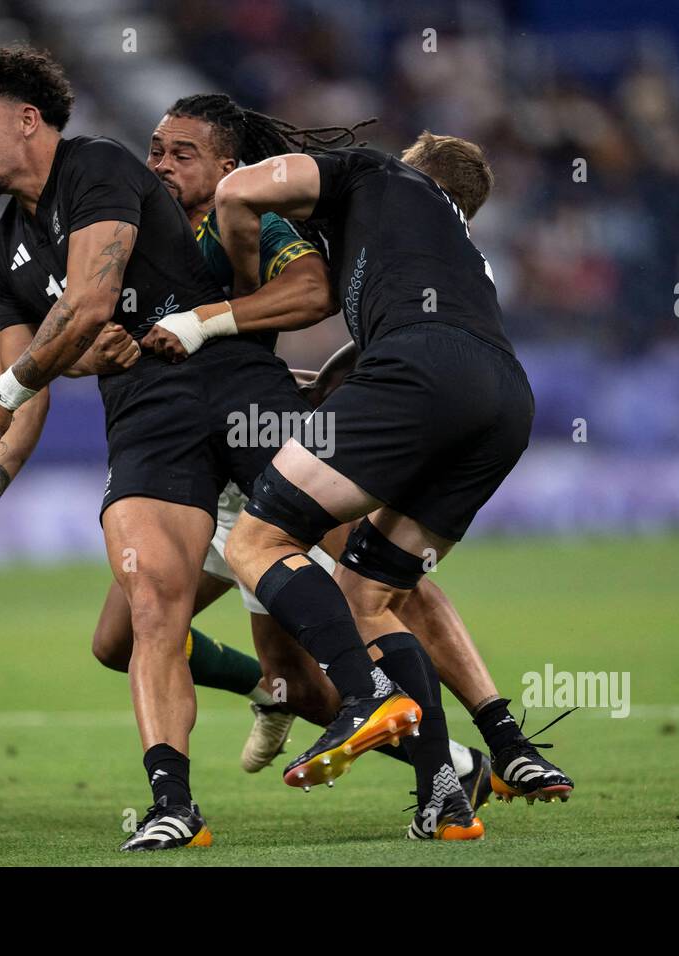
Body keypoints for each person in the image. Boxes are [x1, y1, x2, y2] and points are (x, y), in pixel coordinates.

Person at [0, 46, 418, 851]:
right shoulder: (2, 248)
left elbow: (84, 308)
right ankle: (175, 804)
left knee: (373, 577)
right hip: (147, 417)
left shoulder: (105, 171)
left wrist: (0, 395)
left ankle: (471, 746)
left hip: (234, 393)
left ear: (27, 119)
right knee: (145, 614)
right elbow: (54, 364)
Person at [202, 132, 574, 836]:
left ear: (415, 168)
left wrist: (241, 301)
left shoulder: (378, 174)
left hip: (417, 378)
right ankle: (446, 794)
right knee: (371, 592)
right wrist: (345, 385)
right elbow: (405, 339)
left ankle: (366, 694)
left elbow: (234, 191)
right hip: (502, 401)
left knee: (258, 538)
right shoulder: (465, 252)